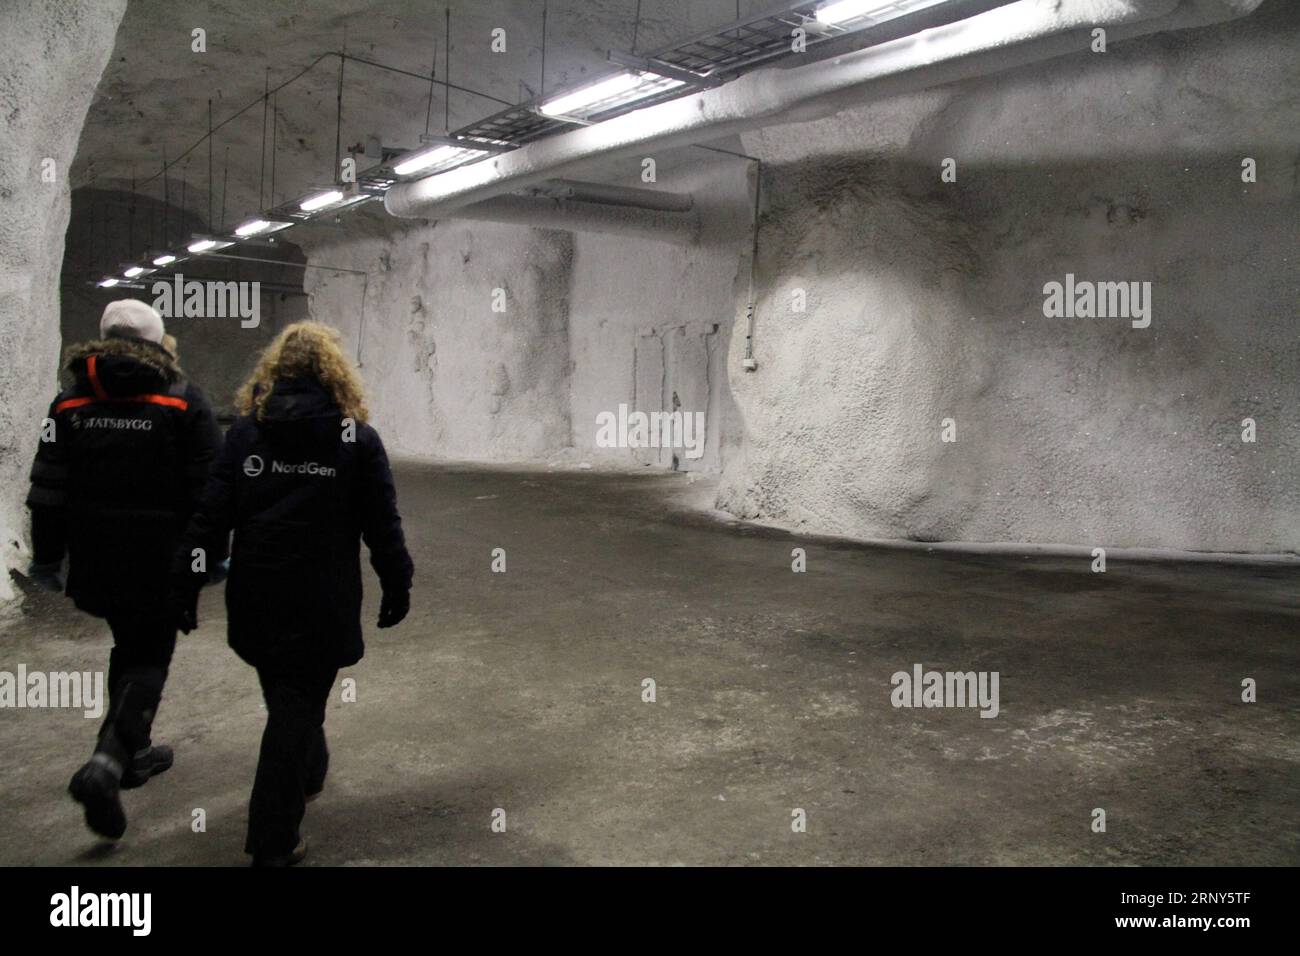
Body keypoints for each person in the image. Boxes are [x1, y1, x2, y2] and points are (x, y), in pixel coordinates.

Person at [173, 321, 413, 867]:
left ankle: (307, 769)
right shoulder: (355, 439)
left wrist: (186, 582)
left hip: (257, 591)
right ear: (335, 376)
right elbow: (382, 522)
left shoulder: (246, 433)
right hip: (322, 597)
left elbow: (209, 518)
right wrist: (397, 581)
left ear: (274, 372)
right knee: (296, 705)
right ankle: (272, 838)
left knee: (288, 696)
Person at [25, 299, 221, 839]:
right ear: (159, 344)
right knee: (150, 655)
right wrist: (214, 554)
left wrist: (45, 559)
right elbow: (212, 486)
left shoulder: (68, 402)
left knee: (128, 646)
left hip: (95, 555)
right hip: (162, 556)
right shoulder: (182, 398)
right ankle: (106, 764)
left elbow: (48, 487)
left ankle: (130, 754)